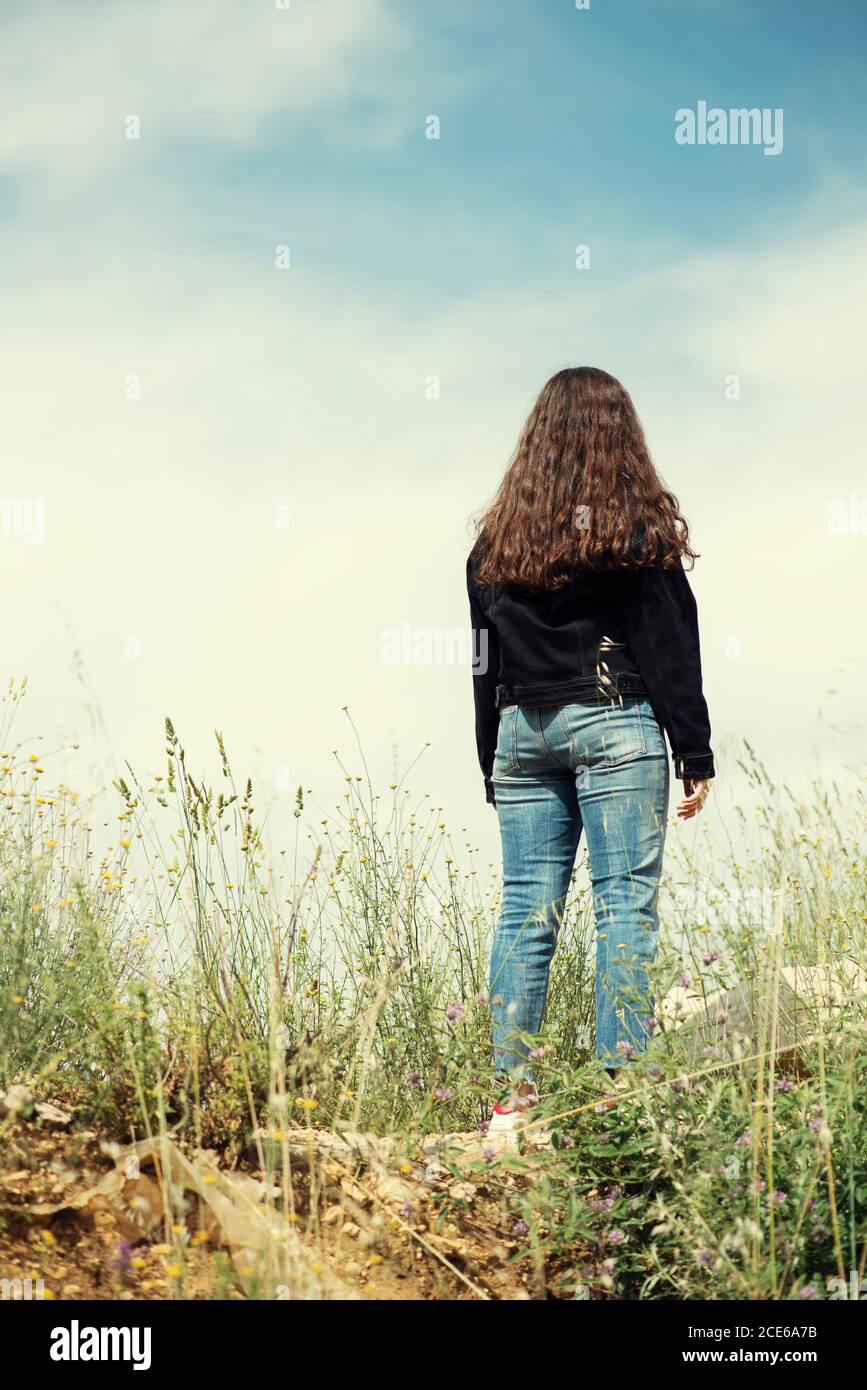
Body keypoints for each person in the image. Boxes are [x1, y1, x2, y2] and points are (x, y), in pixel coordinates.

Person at [467, 367, 714, 1133]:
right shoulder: (631, 536)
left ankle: (509, 1103)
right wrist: (693, 751)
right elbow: (668, 645)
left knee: (524, 910)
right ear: (620, 437)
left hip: (520, 733)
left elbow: (480, 661)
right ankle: (620, 1095)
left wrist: (491, 759)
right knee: (623, 904)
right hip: (613, 722)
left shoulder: (492, 546)